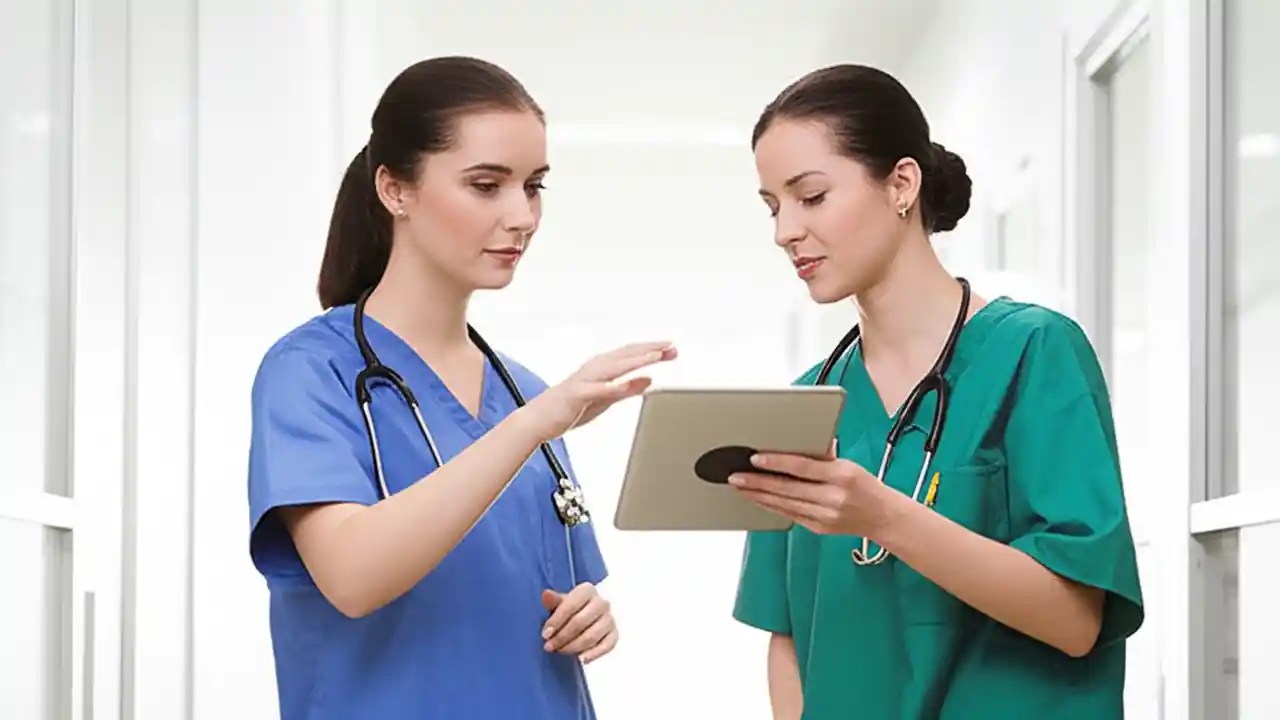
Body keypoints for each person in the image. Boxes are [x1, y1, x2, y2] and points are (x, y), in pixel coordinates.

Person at [245, 56, 676, 720]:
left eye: (533, 186)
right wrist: (533, 424)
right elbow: (353, 578)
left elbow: (533, 591)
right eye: (486, 185)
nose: (522, 215)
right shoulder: (312, 373)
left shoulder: (519, 389)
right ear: (395, 189)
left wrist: (588, 615)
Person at [728, 64, 1145, 719]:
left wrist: (882, 515)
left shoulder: (1033, 353)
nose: (785, 231)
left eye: (810, 197)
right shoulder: (809, 401)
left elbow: (1074, 618)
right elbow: (785, 635)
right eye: (772, 206)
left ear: (901, 184)